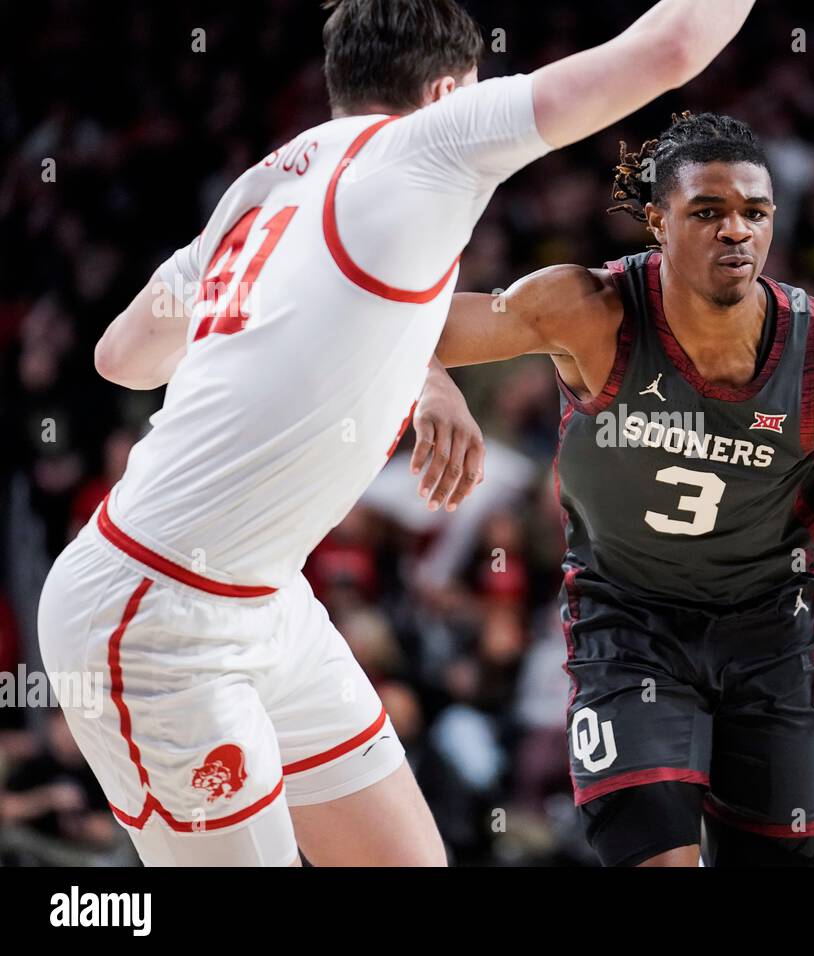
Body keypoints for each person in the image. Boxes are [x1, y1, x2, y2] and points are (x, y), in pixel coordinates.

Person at [37, 0, 758, 867]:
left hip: (264, 604)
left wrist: (417, 366)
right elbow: (670, 45)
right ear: (451, 91)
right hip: (153, 611)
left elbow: (124, 356)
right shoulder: (433, 145)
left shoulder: (266, 186)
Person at [418, 112, 814, 866]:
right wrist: (431, 384)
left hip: (769, 638)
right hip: (628, 624)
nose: (736, 232)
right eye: (708, 212)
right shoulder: (587, 310)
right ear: (657, 221)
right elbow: (409, 324)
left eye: (754, 212)